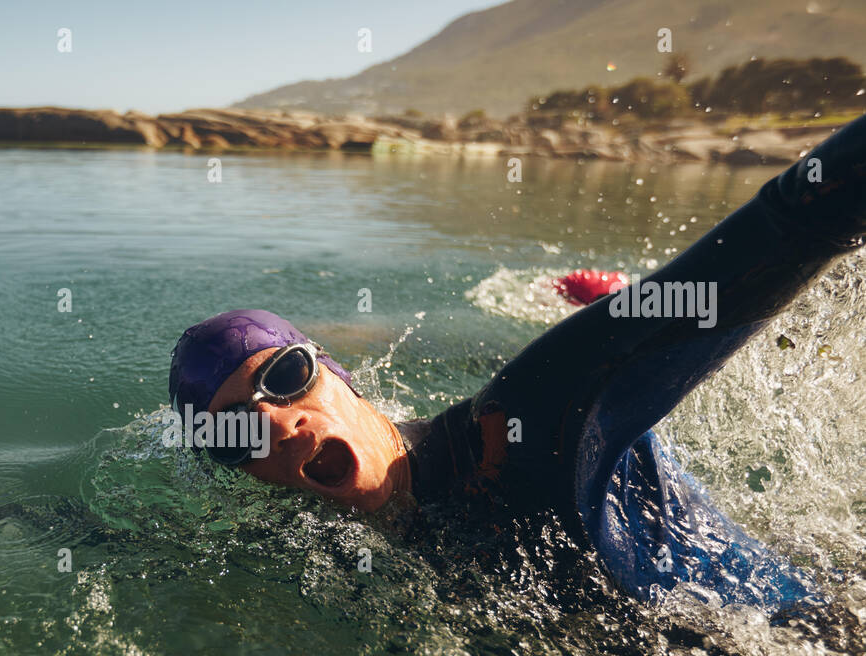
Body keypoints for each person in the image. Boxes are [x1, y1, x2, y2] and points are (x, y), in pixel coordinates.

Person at [168, 114, 866, 611]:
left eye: (285, 379)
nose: (279, 426)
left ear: (340, 374)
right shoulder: (319, 542)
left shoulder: (523, 422)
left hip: (806, 650)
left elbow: (788, 226)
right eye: (237, 434)